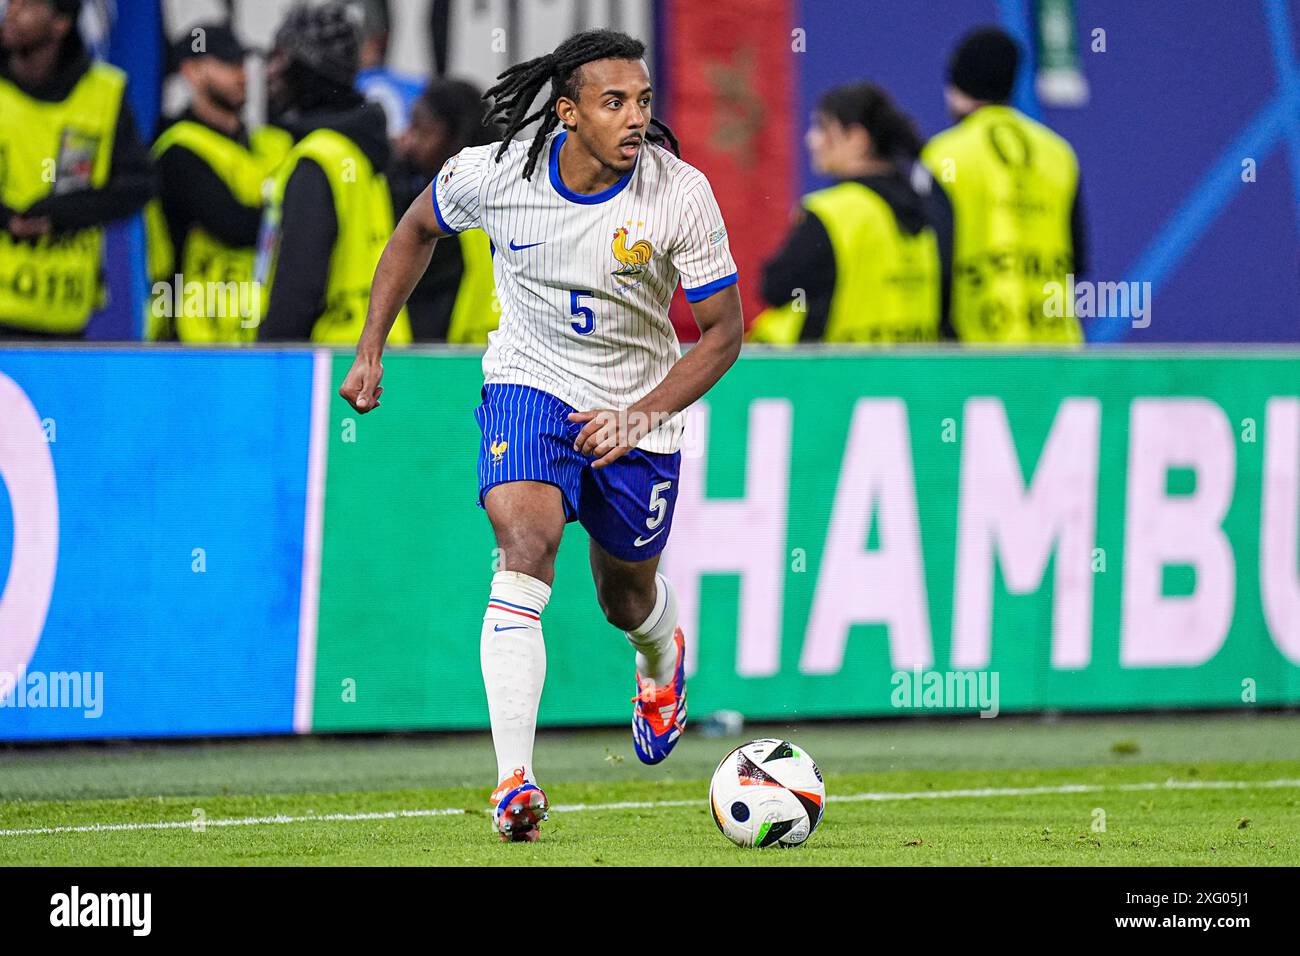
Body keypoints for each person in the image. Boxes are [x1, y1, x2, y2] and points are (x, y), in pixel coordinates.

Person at [338, 29, 743, 842]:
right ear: (568, 113)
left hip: (638, 407)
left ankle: (662, 662)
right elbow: (416, 230)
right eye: (614, 102)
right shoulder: (496, 173)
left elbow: (723, 334)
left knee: (623, 596)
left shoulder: (679, 194)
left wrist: (641, 415)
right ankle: (514, 781)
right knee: (524, 544)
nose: (636, 119)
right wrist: (370, 347)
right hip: (530, 383)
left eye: (644, 101)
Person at [751, 82, 952, 344]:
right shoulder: (925, 209)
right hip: (910, 378)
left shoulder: (832, 212)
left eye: (822, 127)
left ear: (857, 139)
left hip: (839, 378)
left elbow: (773, 288)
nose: (811, 139)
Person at [922, 26, 1088, 344]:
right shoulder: (1058, 153)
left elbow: (934, 262)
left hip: (977, 355)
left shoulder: (943, 155)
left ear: (958, 83)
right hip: (1056, 351)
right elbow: (1078, 261)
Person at [256, 1, 411, 343]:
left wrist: (266, 358)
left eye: (280, 57)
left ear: (307, 67)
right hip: (382, 352)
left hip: (330, 365)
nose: (270, 71)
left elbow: (299, 290)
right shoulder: (366, 149)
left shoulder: (318, 159)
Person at [0, 0, 153, 339]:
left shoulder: (104, 91)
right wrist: (8, 220)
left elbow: (137, 185)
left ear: (60, 23)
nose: (11, 11)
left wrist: (62, 215)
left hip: (65, 316)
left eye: (27, 5)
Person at [145, 23, 287, 342]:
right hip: (191, 332)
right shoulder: (178, 149)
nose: (241, 74)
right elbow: (233, 225)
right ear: (191, 72)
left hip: (258, 329)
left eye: (242, 63)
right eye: (226, 64)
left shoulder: (272, 142)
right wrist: (283, 214)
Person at [388, 78, 498, 341]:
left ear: (454, 139)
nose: (406, 140)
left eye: (421, 130)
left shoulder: (447, 213)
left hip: (463, 355)